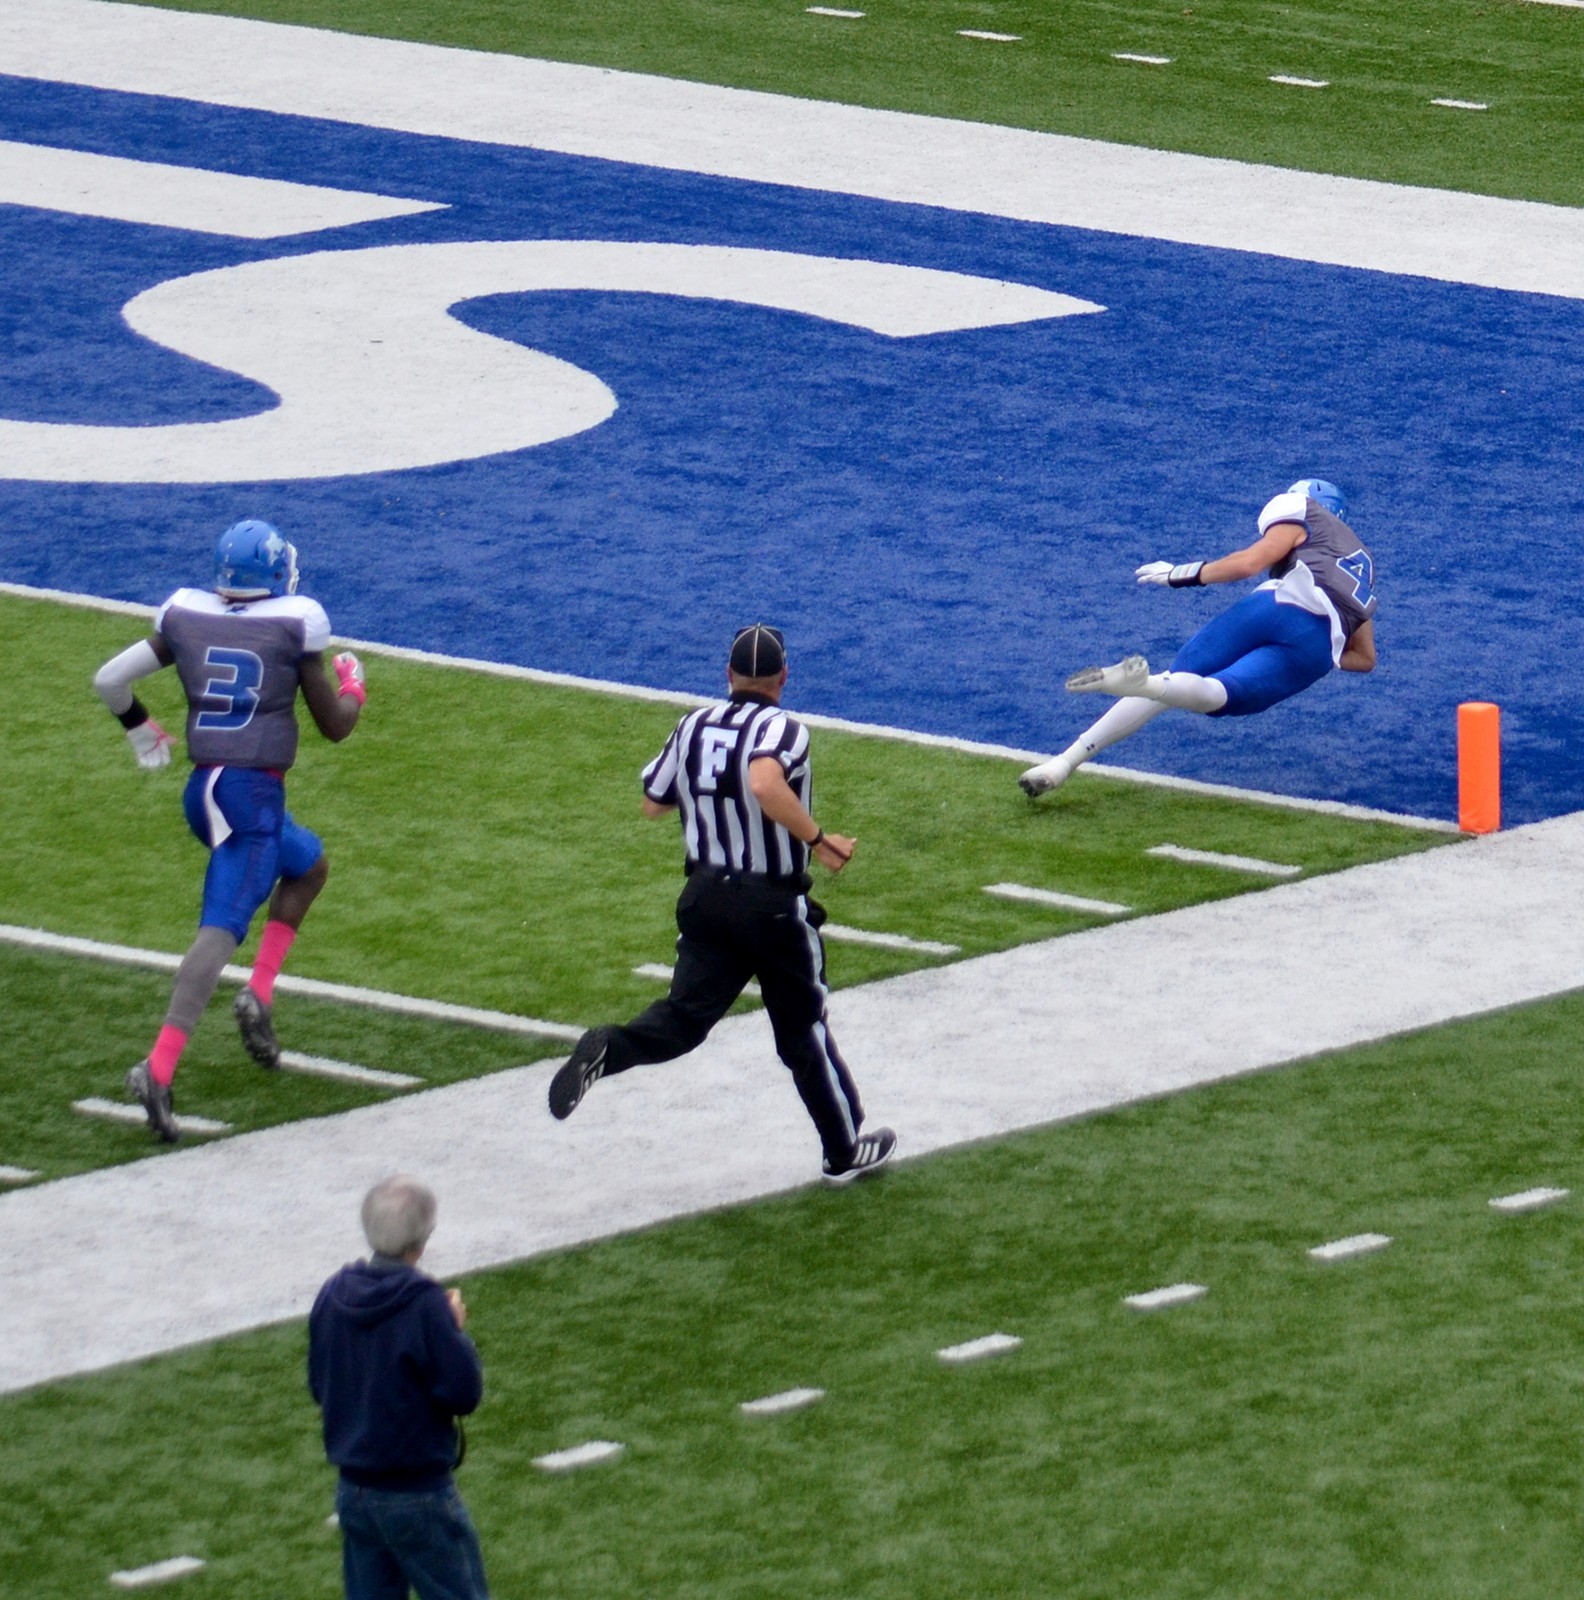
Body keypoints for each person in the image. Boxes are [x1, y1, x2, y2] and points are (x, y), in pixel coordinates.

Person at [548, 624, 896, 1183]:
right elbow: (763, 782)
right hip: (771, 903)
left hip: (706, 895)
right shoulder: (784, 727)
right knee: (802, 1030)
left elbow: (652, 803)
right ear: (783, 677)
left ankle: (608, 1049)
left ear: (728, 676)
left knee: (683, 1019)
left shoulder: (692, 725)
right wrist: (817, 838)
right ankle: (843, 1146)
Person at [92, 518, 366, 1141]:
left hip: (209, 789)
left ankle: (260, 994)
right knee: (218, 933)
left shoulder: (186, 614)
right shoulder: (293, 624)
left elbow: (109, 680)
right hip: (249, 798)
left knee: (309, 865)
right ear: (275, 574)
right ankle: (157, 1069)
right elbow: (335, 725)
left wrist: (140, 728)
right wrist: (354, 685)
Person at [1019, 478, 1376, 796]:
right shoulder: (1362, 568)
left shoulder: (1300, 509)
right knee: (1219, 695)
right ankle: (1140, 687)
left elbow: (1250, 562)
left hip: (1275, 605)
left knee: (1178, 675)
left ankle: (1063, 763)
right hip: (1317, 644)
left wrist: (1180, 574)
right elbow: (1364, 659)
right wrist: (1319, 654)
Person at [309, 1175, 489, 1600]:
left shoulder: (333, 1294)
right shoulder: (424, 1303)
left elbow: (320, 1386)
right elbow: (464, 1392)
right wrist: (456, 1331)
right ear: (422, 1240)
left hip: (354, 1492)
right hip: (417, 1493)